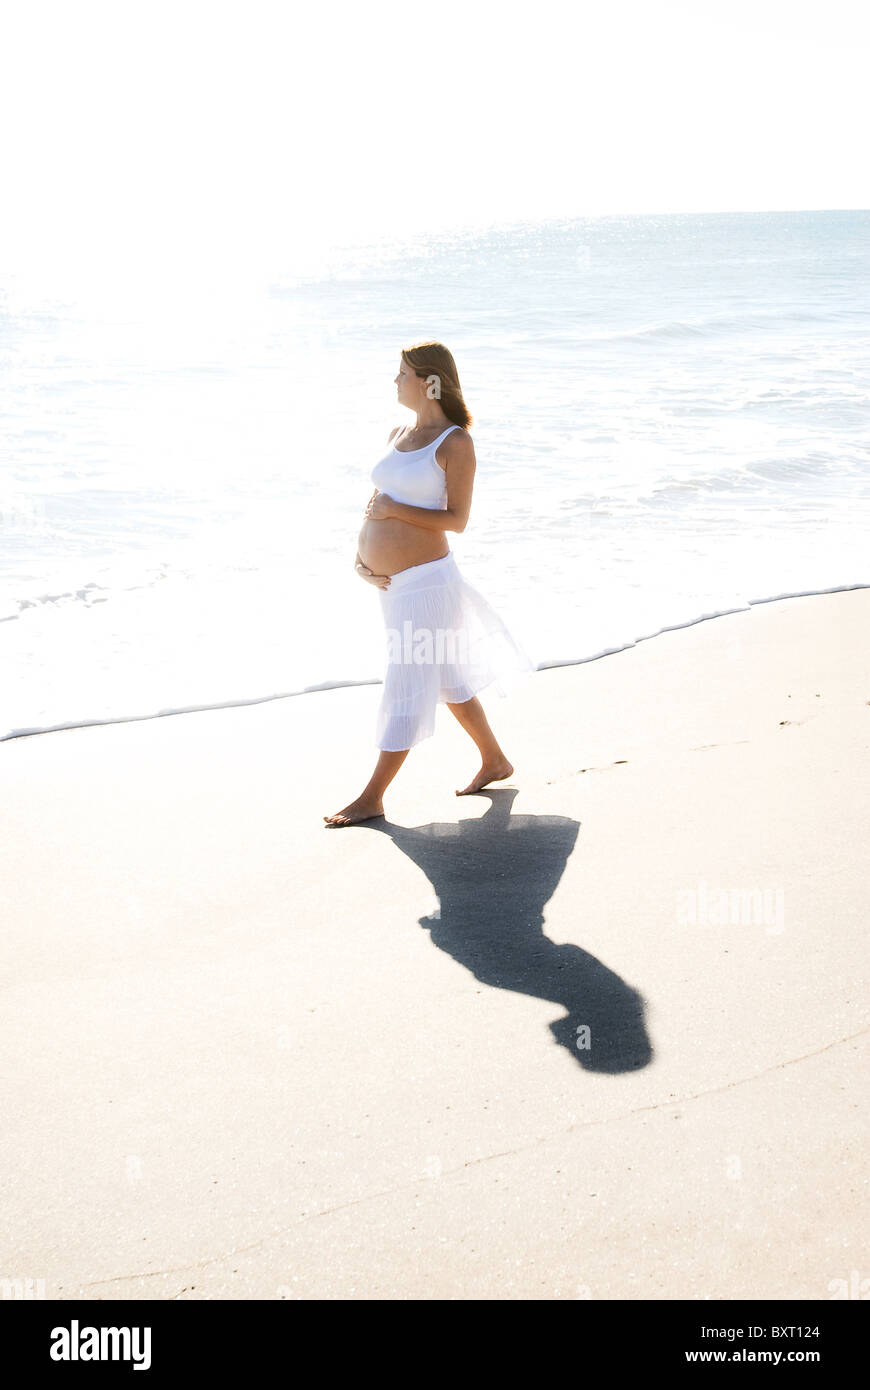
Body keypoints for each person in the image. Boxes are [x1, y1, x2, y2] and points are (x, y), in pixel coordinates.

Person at [324, 341, 534, 827]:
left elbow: (456, 519)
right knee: (444, 677)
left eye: (401, 373)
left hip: (427, 585)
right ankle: (495, 760)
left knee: (407, 679)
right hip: (391, 586)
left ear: (429, 381)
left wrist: (395, 514)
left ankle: (372, 795)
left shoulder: (455, 443)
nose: (394, 381)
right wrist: (361, 559)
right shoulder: (398, 433)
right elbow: (376, 502)